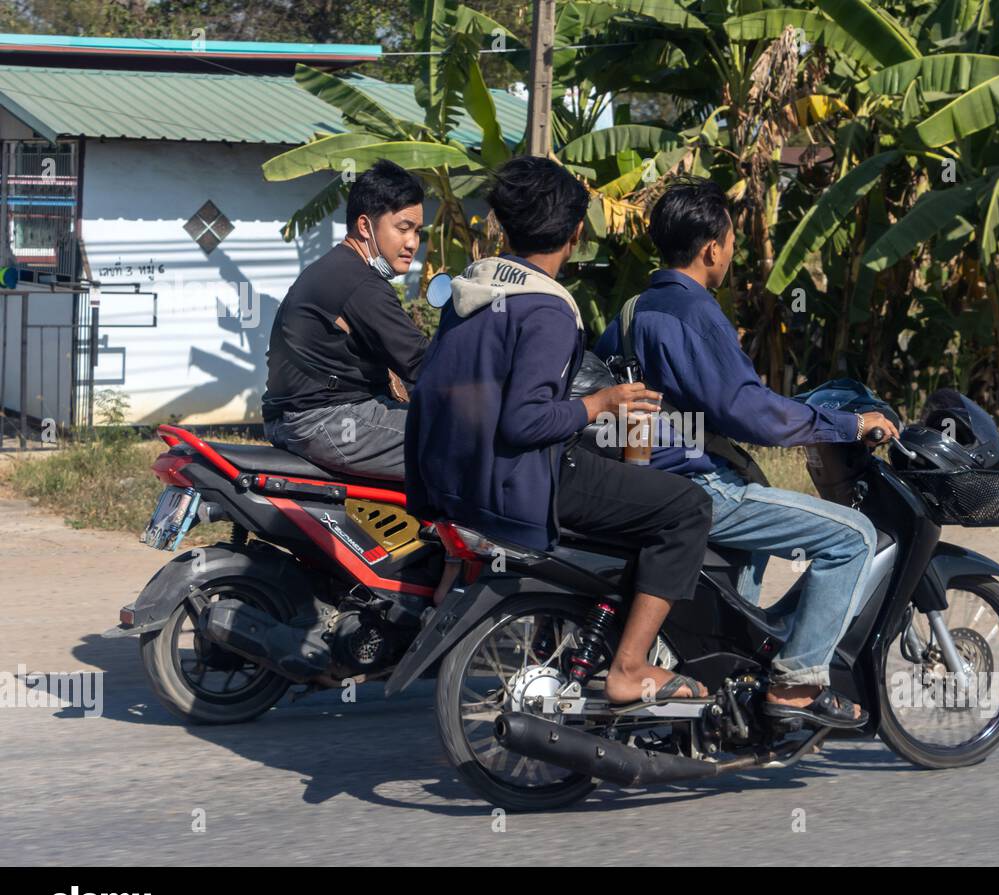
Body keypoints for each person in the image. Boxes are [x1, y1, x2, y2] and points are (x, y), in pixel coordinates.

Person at [405, 157, 714, 703]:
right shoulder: (545, 308)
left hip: (456, 481)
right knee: (687, 507)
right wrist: (603, 402)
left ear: (505, 226)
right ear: (575, 233)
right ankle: (630, 665)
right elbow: (526, 420)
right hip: (522, 484)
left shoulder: (469, 292)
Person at [595, 176, 900, 727]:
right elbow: (750, 412)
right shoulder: (696, 312)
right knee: (854, 537)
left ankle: (729, 675)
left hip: (643, 482)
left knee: (759, 535)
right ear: (712, 247)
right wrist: (849, 424)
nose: (731, 251)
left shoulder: (631, 311)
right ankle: (798, 683)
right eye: (731, 240)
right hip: (697, 487)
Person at [261, 159, 430, 482]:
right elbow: (422, 363)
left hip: (295, 419)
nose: (412, 243)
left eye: (418, 231)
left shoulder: (335, 268)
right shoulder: (360, 283)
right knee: (464, 442)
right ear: (365, 226)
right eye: (403, 228)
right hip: (327, 422)